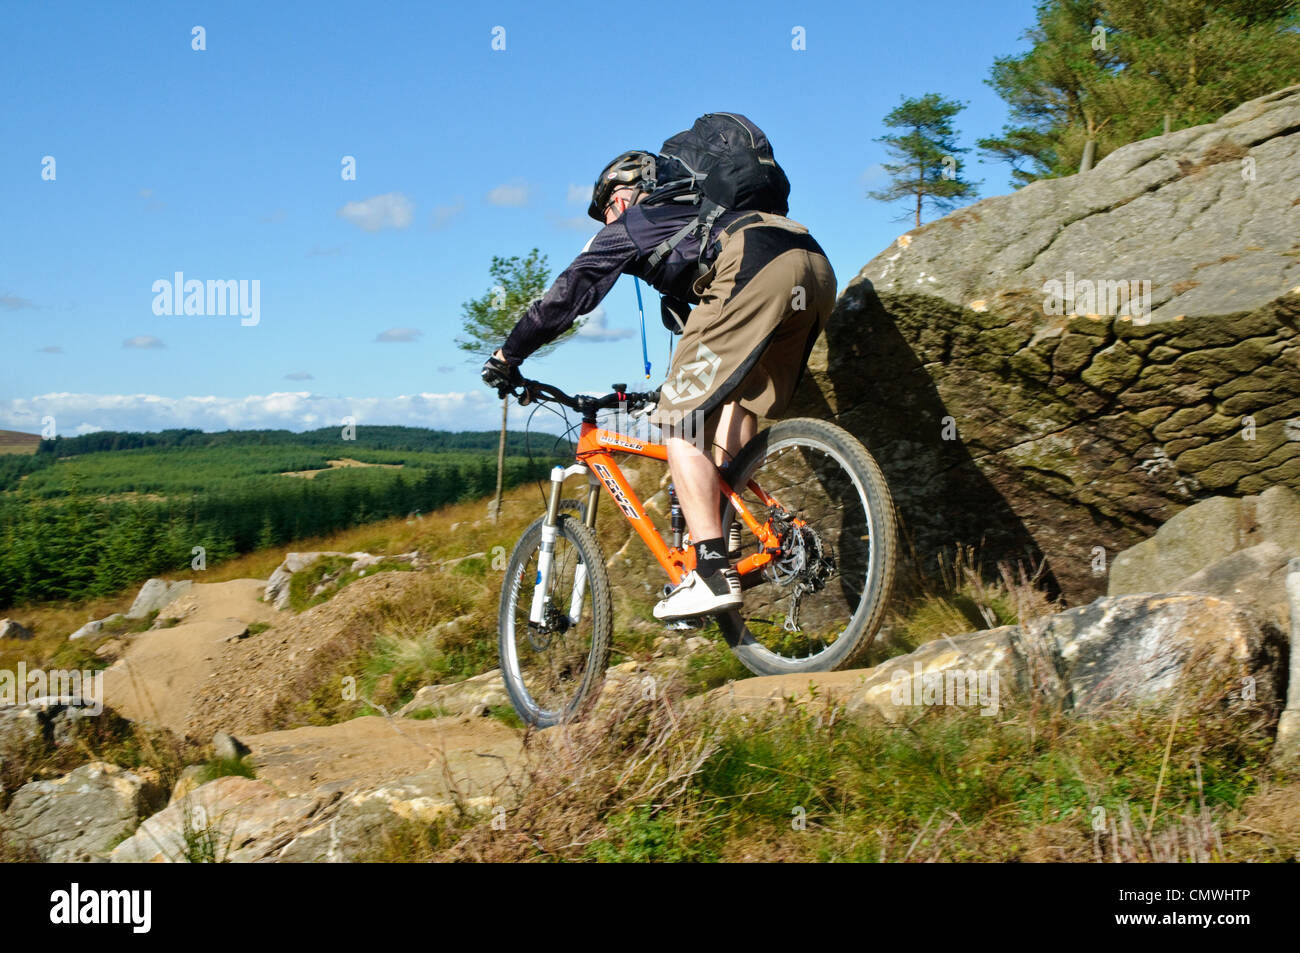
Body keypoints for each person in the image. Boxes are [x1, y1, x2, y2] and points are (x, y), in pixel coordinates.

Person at [481, 149, 837, 620]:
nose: (606, 220)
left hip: (752, 267)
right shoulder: (699, 212)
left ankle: (711, 574)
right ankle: (725, 525)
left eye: (605, 209)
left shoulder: (636, 221)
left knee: (679, 423)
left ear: (623, 196)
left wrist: (510, 355)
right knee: (737, 399)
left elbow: (570, 290)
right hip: (812, 263)